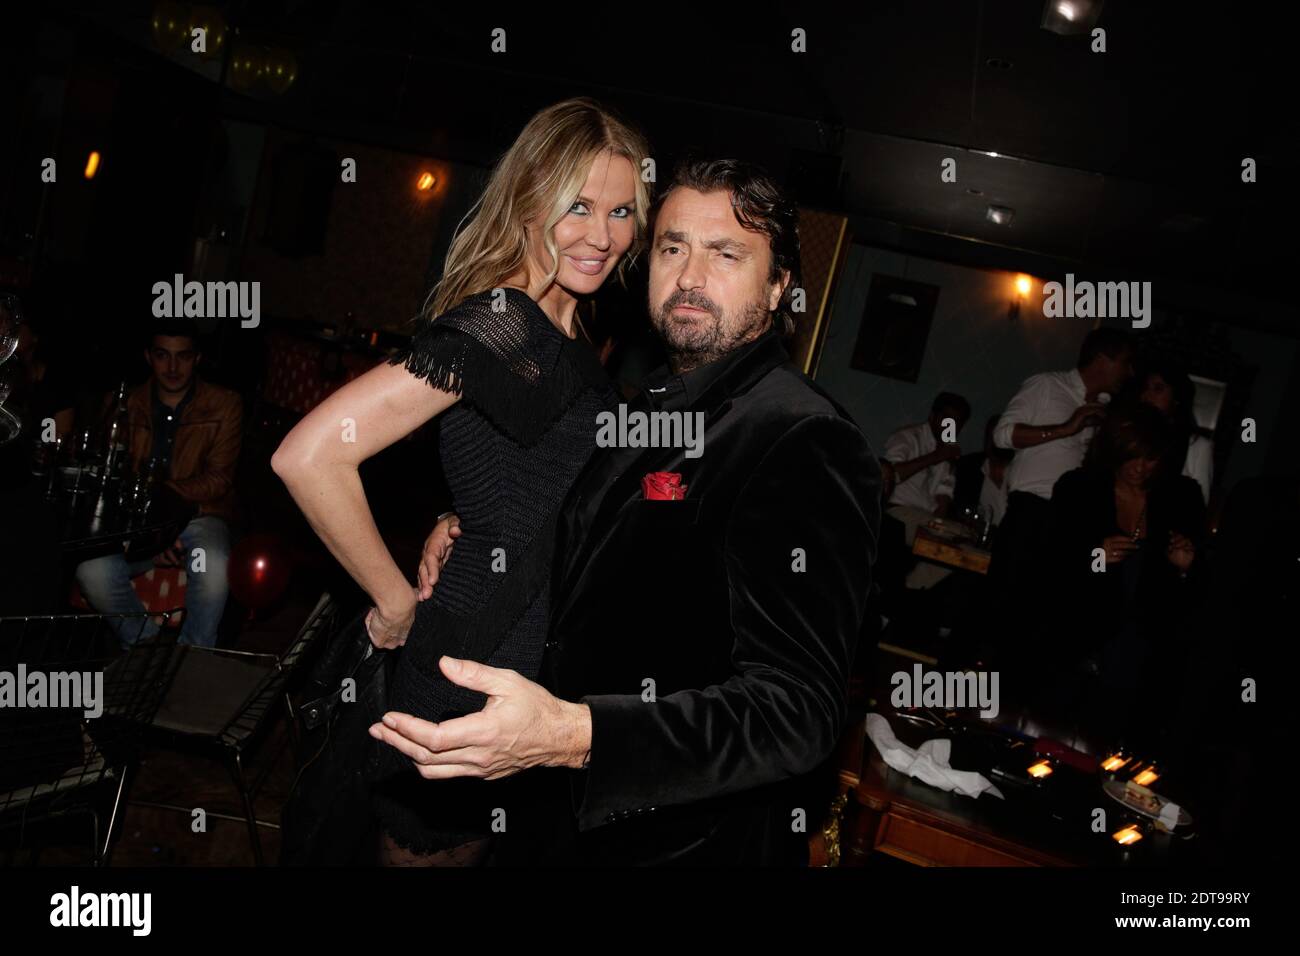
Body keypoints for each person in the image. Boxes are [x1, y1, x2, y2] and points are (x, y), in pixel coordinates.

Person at [370, 158, 881, 866]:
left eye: (726, 253)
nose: (691, 276)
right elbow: (599, 537)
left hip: (674, 842)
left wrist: (574, 735)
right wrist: (464, 522)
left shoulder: (800, 437)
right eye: (672, 248)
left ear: (779, 285)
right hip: (558, 816)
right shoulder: (650, 405)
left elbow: (796, 714)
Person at [272, 97, 649, 866]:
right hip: (472, 650)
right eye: (577, 205)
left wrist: (463, 511)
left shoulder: (565, 325)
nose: (602, 235)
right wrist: (392, 601)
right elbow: (309, 456)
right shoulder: (503, 321)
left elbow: (534, 466)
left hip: (525, 656)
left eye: (620, 211)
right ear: (532, 196)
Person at [1043, 400, 1206, 750]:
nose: (1140, 468)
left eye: (1150, 459)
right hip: (1079, 638)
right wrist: (1095, 557)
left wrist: (1187, 567)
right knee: (1053, 739)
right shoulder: (1079, 488)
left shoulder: (1182, 497)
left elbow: (1204, 584)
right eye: (1132, 456)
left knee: (1113, 751)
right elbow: (1049, 563)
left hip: (1142, 652)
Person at [73, 318, 241, 648]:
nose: (173, 367)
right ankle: (144, 651)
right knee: (90, 571)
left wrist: (166, 520)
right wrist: (152, 532)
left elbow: (218, 480)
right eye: (163, 355)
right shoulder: (123, 404)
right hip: (134, 522)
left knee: (214, 567)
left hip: (198, 514)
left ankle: (193, 662)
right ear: (149, 357)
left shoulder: (225, 404)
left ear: (197, 358)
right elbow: (106, 474)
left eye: (183, 356)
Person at [986, 327, 1135, 666]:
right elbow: (1002, 435)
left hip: (1072, 525)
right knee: (1004, 612)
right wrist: (1066, 428)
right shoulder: (1047, 385)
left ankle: (1021, 706)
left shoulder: (1106, 410)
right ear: (1103, 358)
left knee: (1045, 619)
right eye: (1126, 363)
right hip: (1031, 515)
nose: (1130, 373)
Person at [1131, 357, 1214, 505]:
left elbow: (1199, 506)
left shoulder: (1197, 446)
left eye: (1158, 389)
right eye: (1145, 388)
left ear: (1177, 397)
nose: (1147, 396)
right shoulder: (1128, 434)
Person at [880, 392, 969, 518]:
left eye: (956, 422)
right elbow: (891, 474)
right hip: (897, 510)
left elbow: (944, 493)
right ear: (932, 416)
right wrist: (935, 456)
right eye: (946, 419)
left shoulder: (948, 449)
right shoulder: (907, 437)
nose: (950, 426)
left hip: (926, 517)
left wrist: (938, 523)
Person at [953, 415, 1013, 531]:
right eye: (992, 437)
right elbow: (960, 509)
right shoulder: (969, 467)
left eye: (999, 438)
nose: (995, 443)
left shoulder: (1021, 471)